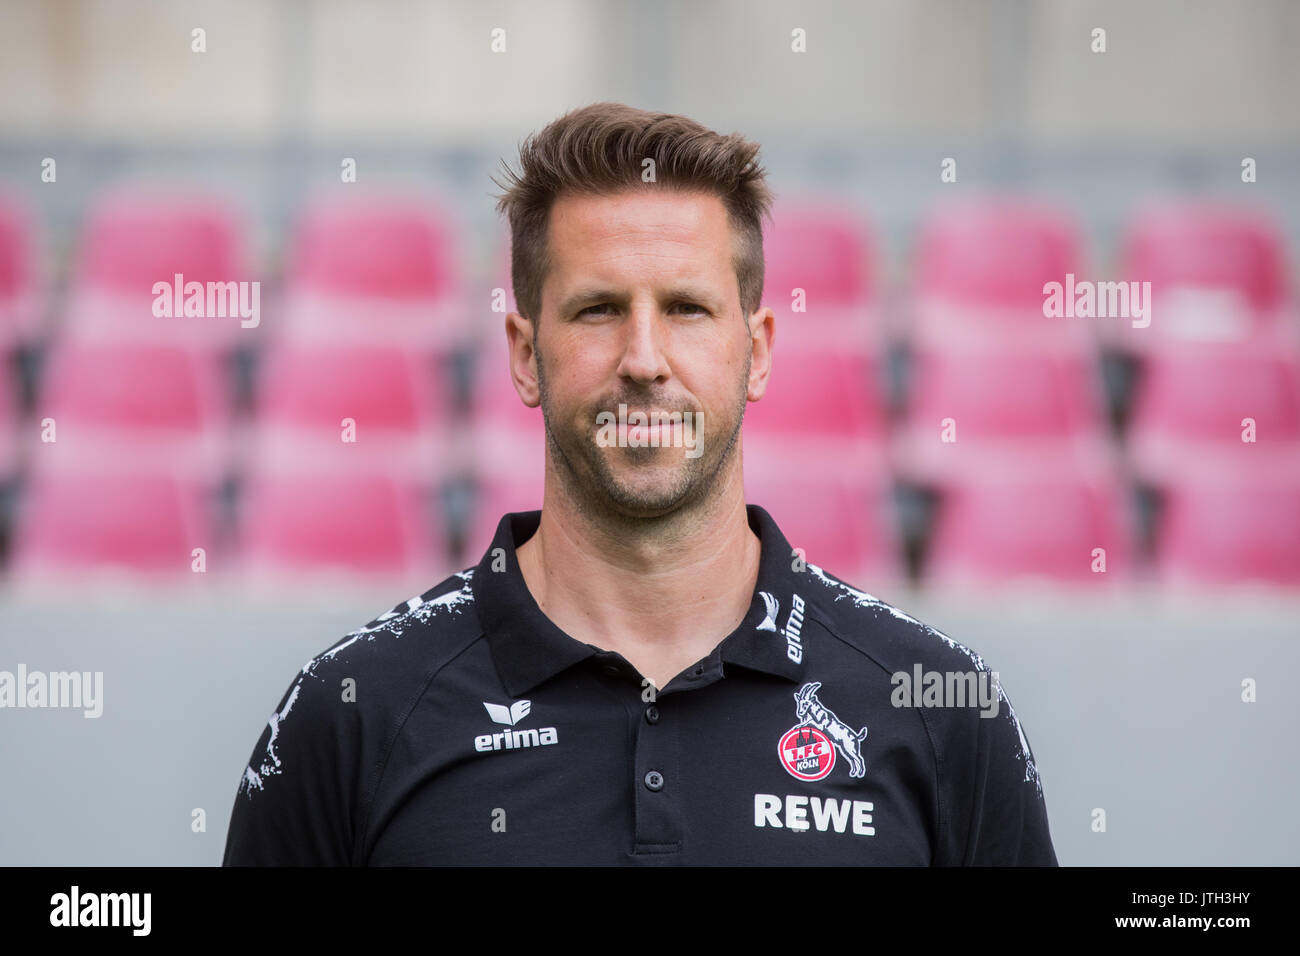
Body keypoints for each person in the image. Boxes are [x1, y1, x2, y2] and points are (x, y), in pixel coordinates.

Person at [222, 102, 1058, 865]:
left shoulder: (941, 711)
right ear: (523, 354)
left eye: (688, 308)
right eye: (597, 310)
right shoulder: (352, 712)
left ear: (758, 350)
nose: (645, 361)